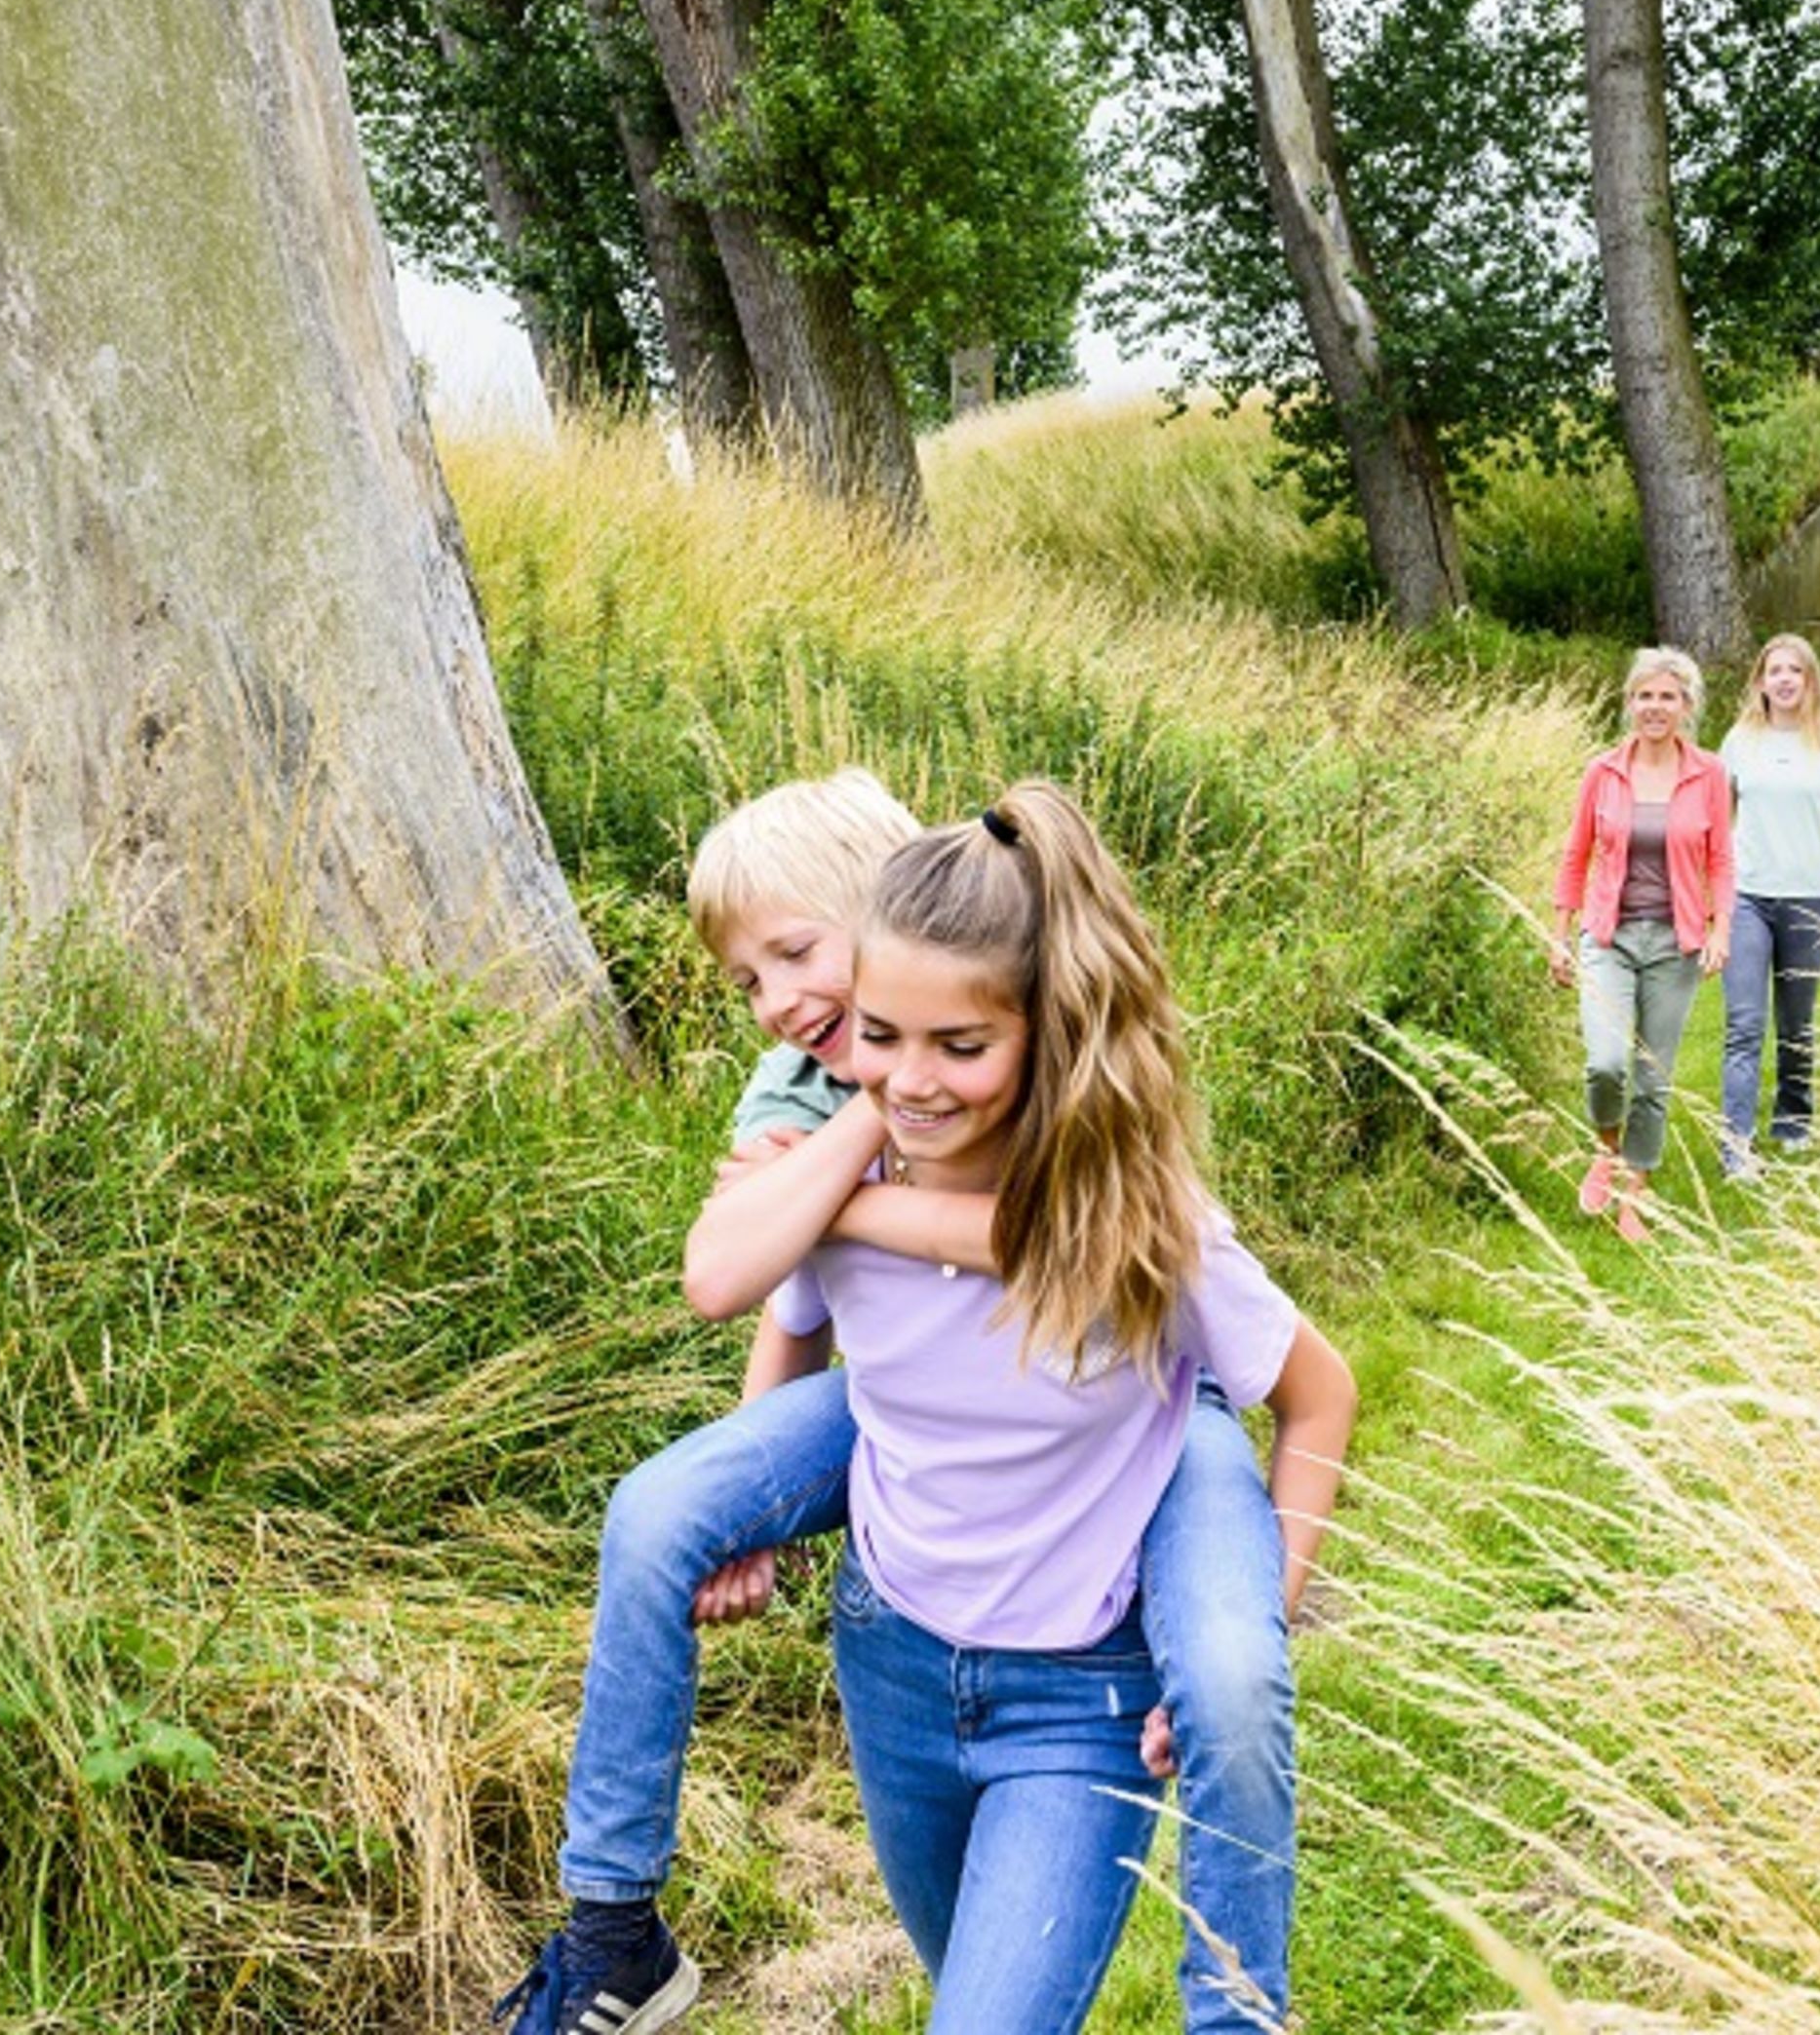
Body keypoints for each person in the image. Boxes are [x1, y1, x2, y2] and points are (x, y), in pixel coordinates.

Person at [494, 771, 1329, 2035]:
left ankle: (1238, 2013)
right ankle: (613, 1930)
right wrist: (759, 1513)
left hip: (1083, 1644)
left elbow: (1207, 1326)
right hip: (898, 1619)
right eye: (873, 1036)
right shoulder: (819, 1108)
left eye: (955, 1044)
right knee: (658, 1510)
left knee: (1225, 1678)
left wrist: (850, 1196)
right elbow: (751, 1297)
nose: (903, 1073)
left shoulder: (1107, 1185)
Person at [1551, 647, 1734, 1242]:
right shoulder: (1602, 772)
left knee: (1653, 1077)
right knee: (1605, 1065)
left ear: (1686, 707)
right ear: (1630, 703)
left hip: (1674, 943)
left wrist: (1719, 930)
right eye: (1645, 696)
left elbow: (1722, 861)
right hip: (1609, 937)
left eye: (1668, 697)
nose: (1655, 707)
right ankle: (1606, 1147)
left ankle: (1636, 1193)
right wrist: (1559, 937)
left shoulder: (1708, 774)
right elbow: (1575, 855)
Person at [1714, 634, 1820, 1176]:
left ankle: (1793, 1119)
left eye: (1795, 671)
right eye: (1774, 671)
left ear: (1810, 681)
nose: (1784, 680)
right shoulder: (1739, 742)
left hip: (1808, 898)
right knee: (1744, 1022)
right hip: (1747, 898)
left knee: (1797, 1021)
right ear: (1760, 681)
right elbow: (1718, 822)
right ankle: (1735, 1143)